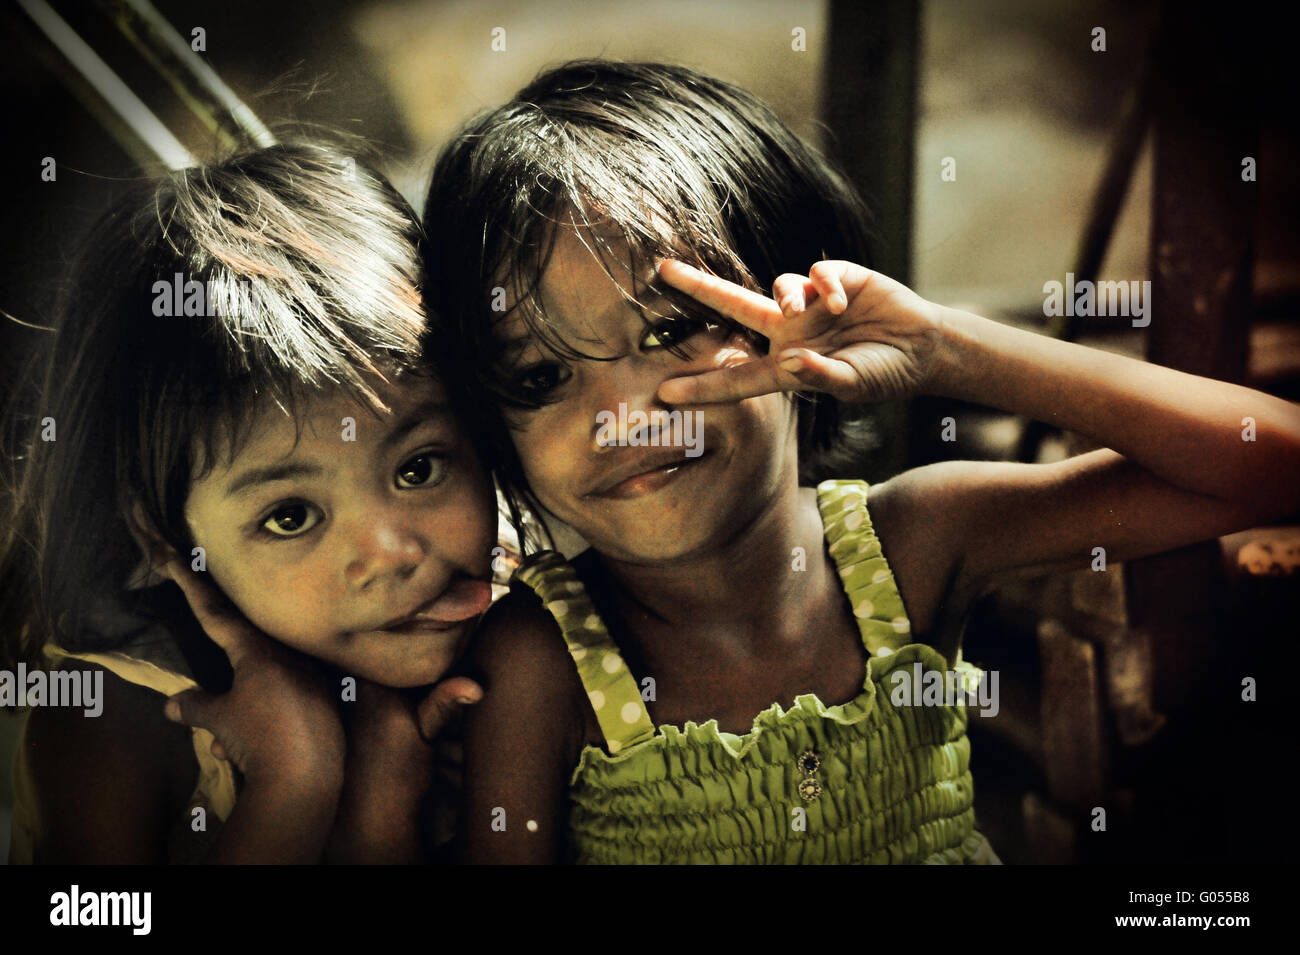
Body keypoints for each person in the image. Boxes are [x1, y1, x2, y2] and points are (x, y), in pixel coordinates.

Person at [423, 60, 1300, 864]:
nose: (621, 417)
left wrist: (949, 347)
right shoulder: (542, 661)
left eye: (672, 328)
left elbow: (1272, 462)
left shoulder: (918, 543)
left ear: (800, 305)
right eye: (541, 376)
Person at [2, 143, 498, 863]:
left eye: (420, 467)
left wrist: (377, 824)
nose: (392, 553)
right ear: (159, 539)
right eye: (290, 516)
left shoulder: (516, 641)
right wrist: (294, 785)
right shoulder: (111, 716)